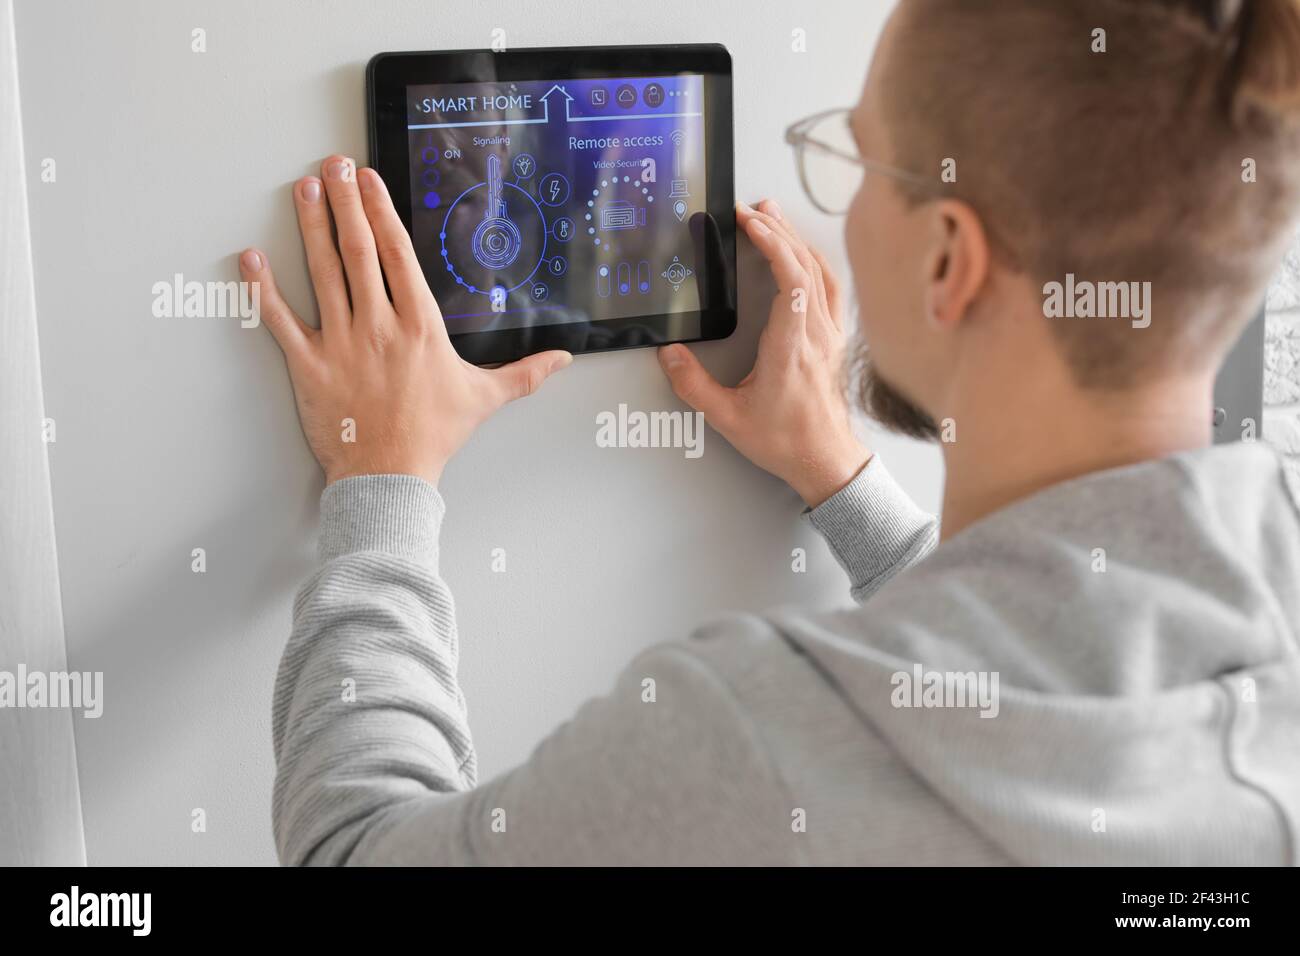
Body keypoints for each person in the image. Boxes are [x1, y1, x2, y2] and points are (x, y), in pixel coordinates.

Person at [240, 0, 1300, 865]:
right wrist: (843, 481)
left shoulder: (750, 741)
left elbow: (355, 849)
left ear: (946, 261)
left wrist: (381, 479)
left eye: (859, 161)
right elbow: (1046, 696)